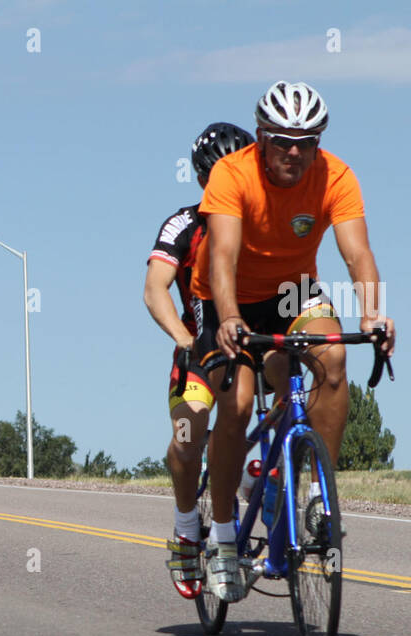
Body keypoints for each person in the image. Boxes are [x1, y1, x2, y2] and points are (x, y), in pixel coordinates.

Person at [191, 81, 395, 601]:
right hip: (226, 294)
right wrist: (232, 317)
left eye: (307, 141)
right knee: (235, 403)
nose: (295, 153)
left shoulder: (336, 175)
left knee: (333, 356)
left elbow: (357, 255)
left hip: (290, 292)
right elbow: (222, 258)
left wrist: (374, 314)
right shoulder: (231, 174)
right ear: (260, 137)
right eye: (283, 141)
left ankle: (319, 499)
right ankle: (222, 540)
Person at [145, 122, 255, 599]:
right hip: (200, 352)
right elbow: (155, 289)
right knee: (189, 436)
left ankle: (263, 478)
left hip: (256, 340)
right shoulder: (184, 224)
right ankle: (188, 527)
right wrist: (183, 335)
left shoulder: (264, 223)